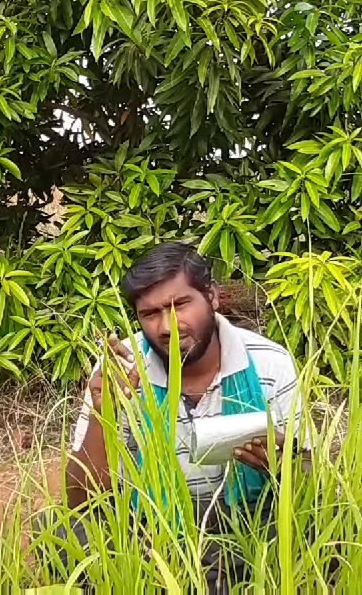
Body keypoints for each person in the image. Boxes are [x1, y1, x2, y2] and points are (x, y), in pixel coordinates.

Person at [61, 242, 304, 590]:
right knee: (70, 534)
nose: (167, 326)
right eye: (150, 314)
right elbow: (80, 499)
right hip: (148, 526)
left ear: (212, 297)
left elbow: (308, 480)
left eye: (180, 305)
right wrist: (106, 415)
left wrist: (281, 467)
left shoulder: (268, 362)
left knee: (332, 520)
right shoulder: (122, 368)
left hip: (246, 519)